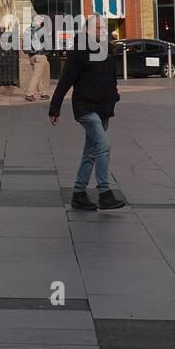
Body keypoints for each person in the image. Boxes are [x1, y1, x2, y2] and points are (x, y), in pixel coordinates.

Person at [49, 16, 125, 211]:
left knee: (90, 153)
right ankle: (104, 192)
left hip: (104, 107)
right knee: (103, 145)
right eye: (98, 28)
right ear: (87, 30)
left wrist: (114, 95)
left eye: (103, 28)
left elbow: (111, 75)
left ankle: (79, 194)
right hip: (85, 107)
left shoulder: (106, 48)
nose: (102, 31)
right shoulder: (79, 51)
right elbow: (66, 79)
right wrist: (55, 107)